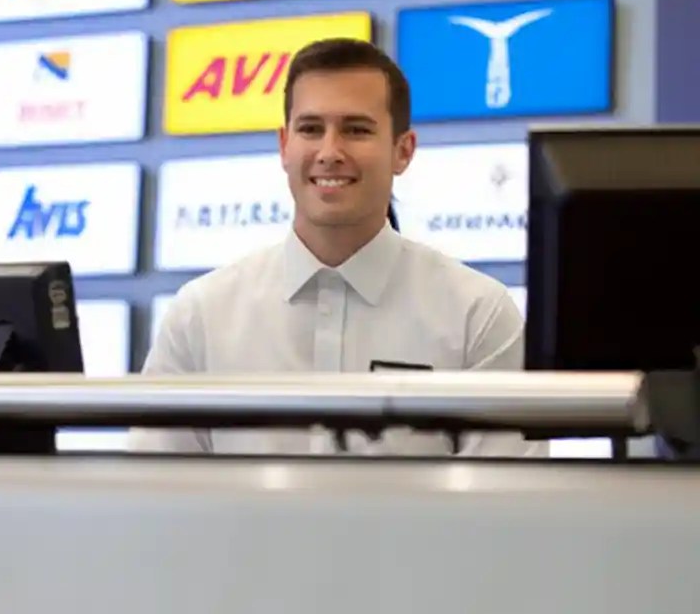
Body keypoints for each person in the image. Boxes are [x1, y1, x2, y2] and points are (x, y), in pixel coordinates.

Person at [131, 38, 544, 457]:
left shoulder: (478, 315)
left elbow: (507, 494)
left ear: (403, 151)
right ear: (284, 146)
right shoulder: (200, 315)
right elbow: (154, 485)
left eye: (356, 130)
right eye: (310, 129)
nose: (330, 152)